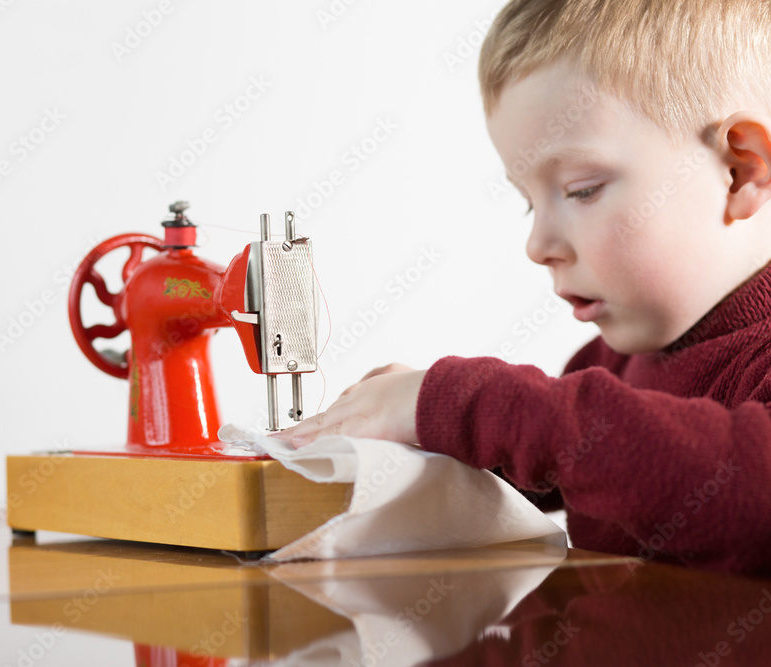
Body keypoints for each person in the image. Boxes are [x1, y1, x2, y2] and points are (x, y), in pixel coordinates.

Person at [275, 0, 771, 576]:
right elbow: (544, 461)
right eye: (528, 202)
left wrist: (459, 401)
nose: (538, 245)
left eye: (582, 189)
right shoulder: (608, 363)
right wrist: (404, 448)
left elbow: (751, 493)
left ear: (739, 170)